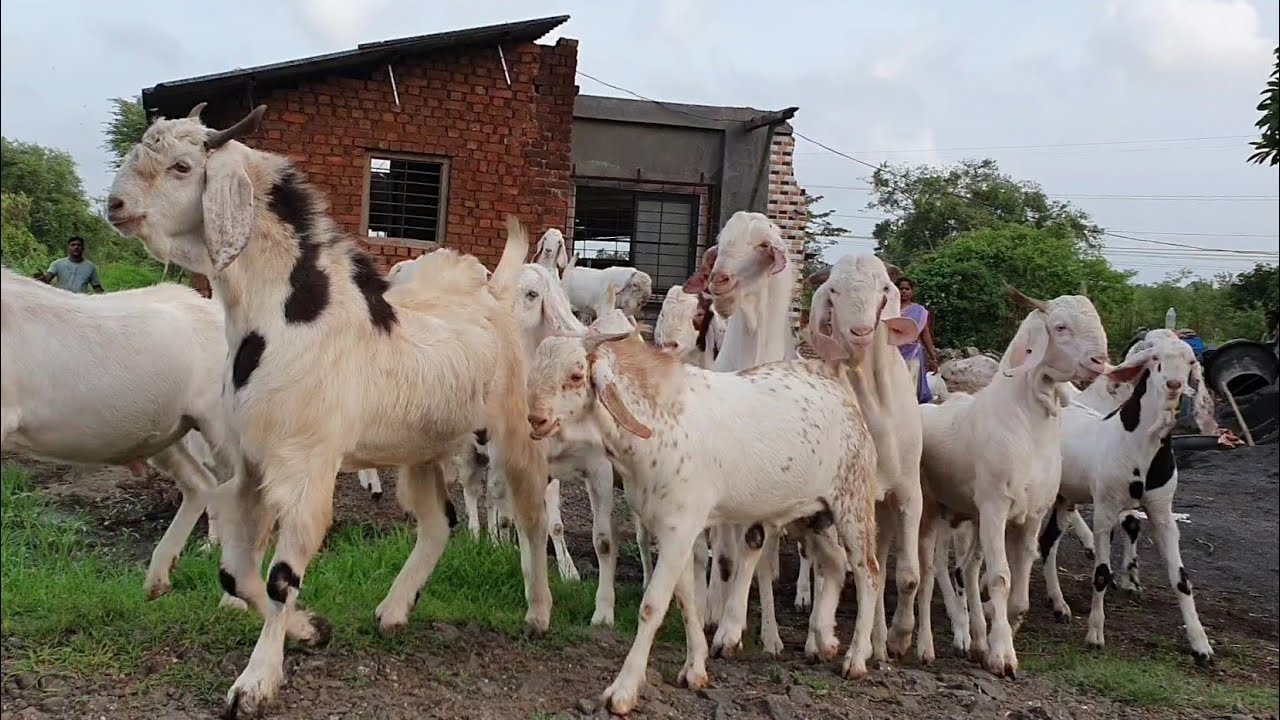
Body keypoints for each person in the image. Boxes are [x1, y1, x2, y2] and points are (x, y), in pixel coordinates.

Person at [896, 276, 940, 404]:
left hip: (914, 352)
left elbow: (925, 335)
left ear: (912, 291)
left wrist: (933, 358)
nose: (903, 291)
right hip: (894, 351)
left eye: (907, 289)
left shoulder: (919, 310)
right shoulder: (889, 309)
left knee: (913, 383)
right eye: (900, 289)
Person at [40, 236, 104, 294]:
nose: (76, 247)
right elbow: (47, 278)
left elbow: (97, 287)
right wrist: (42, 279)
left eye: (79, 245)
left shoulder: (90, 266)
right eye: (73, 245)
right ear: (68, 247)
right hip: (61, 299)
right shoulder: (57, 263)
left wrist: (105, 299)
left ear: (83, 248)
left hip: (80, 301)